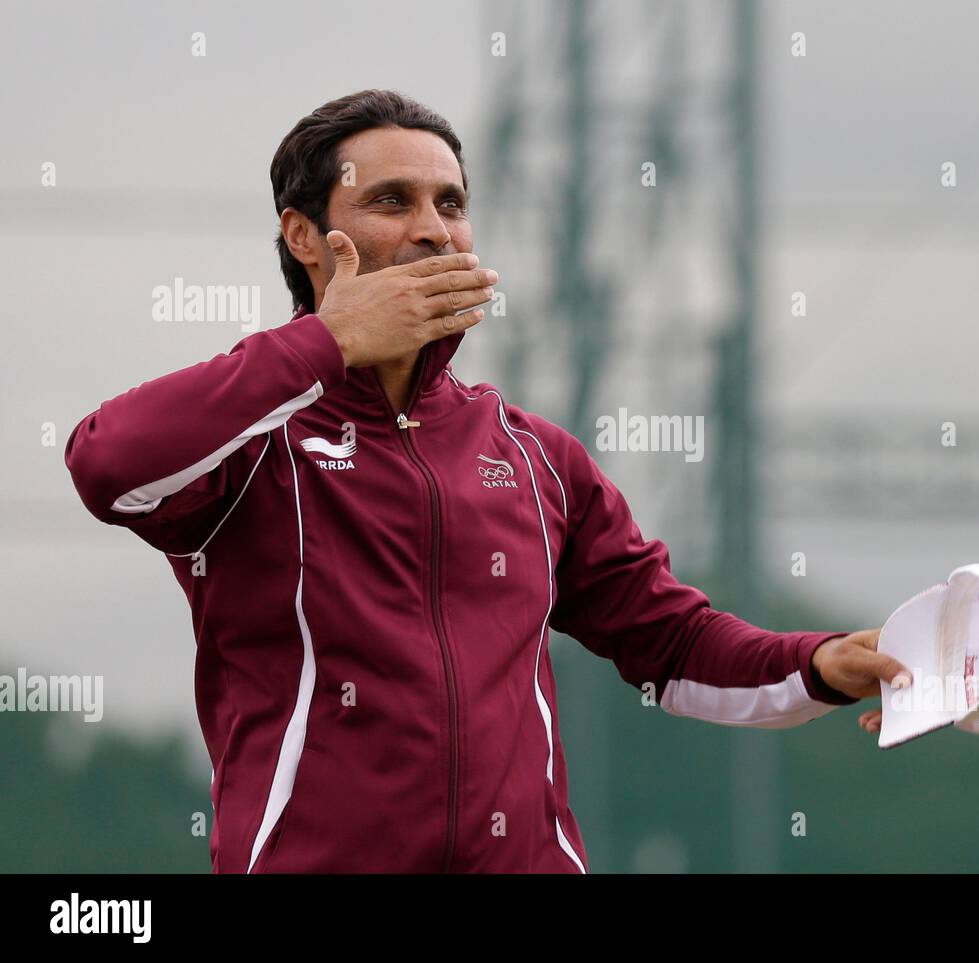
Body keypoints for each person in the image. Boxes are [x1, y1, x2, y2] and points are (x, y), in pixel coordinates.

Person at [65, 89, 908, 873]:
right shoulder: (250, 445)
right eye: (393, 201)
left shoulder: (538, 455)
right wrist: (329, 342)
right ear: (304, 237)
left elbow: (675, 646)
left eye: (452, 204)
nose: (435, 230)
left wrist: (821, 662)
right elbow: (107, 463)